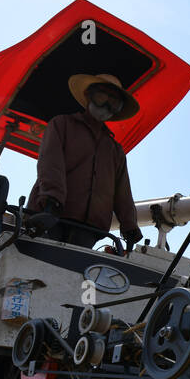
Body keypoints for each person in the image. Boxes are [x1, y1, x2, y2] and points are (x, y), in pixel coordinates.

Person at [25, 72, 145, 252]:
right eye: (101, 96)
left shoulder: (115, 150)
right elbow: (50, 163)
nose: (106, 105)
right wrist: (52, 200)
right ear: (89, 95)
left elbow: (122, 191)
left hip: (89, 229)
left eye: (113, 102)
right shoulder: (61, 124)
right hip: (50, 216)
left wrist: (130, 225)